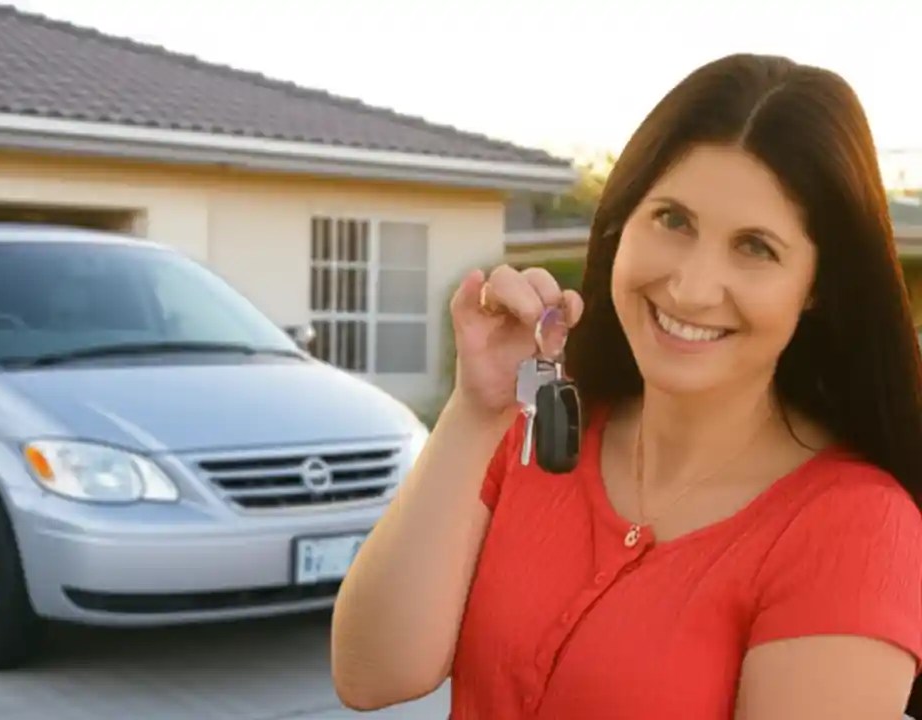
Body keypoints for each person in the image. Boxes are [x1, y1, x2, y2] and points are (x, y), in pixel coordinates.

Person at [329, 52, 922, 719]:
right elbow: (371, 673)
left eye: (756, 247)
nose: (693, 288)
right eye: (673, 220)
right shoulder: (534, 434)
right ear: (621, 221)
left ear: (816, 286)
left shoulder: (854, 528)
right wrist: (476, 411)